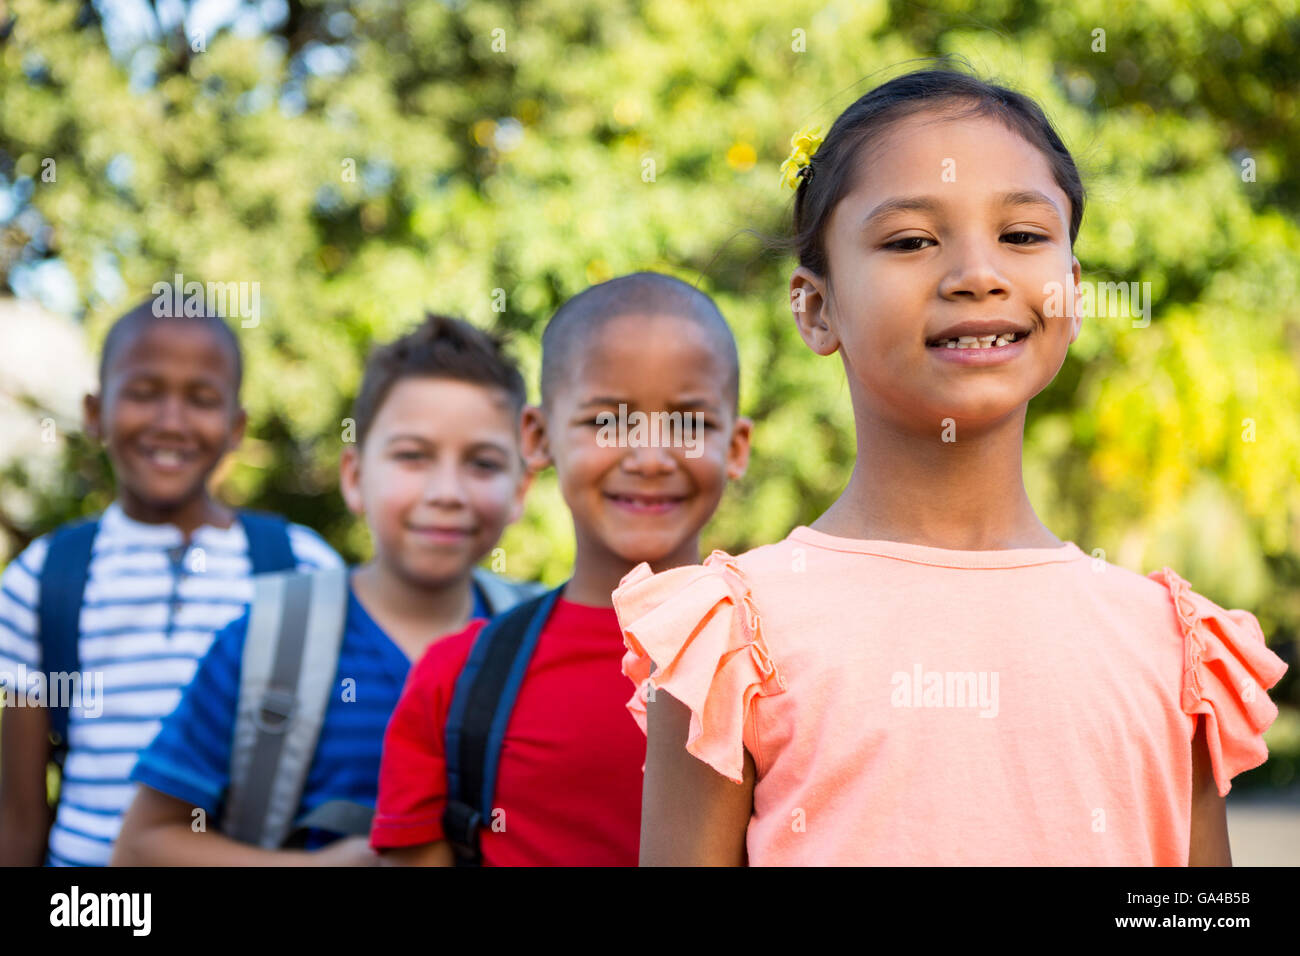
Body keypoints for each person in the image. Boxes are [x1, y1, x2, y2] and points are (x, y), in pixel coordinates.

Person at [614, 67, 1289, 866]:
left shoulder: (1171, 643)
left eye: (1024, 236)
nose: (978, 273)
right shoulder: (732, 639)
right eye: (910, 241)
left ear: (1071, 291)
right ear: (815, 307)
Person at [111, 313, 537, 864]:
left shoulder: (537, 643)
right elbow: (143, 846)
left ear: (521, 488)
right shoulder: (268, 639)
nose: (446, 492)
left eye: (482, 463)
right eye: (412, 456)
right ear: (355, 476)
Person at [371, 272, 753, 865]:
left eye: (689, 424)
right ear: (538, 435)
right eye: (608, 421)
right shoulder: (457, 682)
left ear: (736, 446)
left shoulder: (783, 661)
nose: (650, 458)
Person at [0, 298, 341, 867]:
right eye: (143, 392)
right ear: (94, 412)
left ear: (236, 428)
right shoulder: (43, 579)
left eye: (202, 399)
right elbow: (19, 813)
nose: (171, 422)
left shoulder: (302, 568)